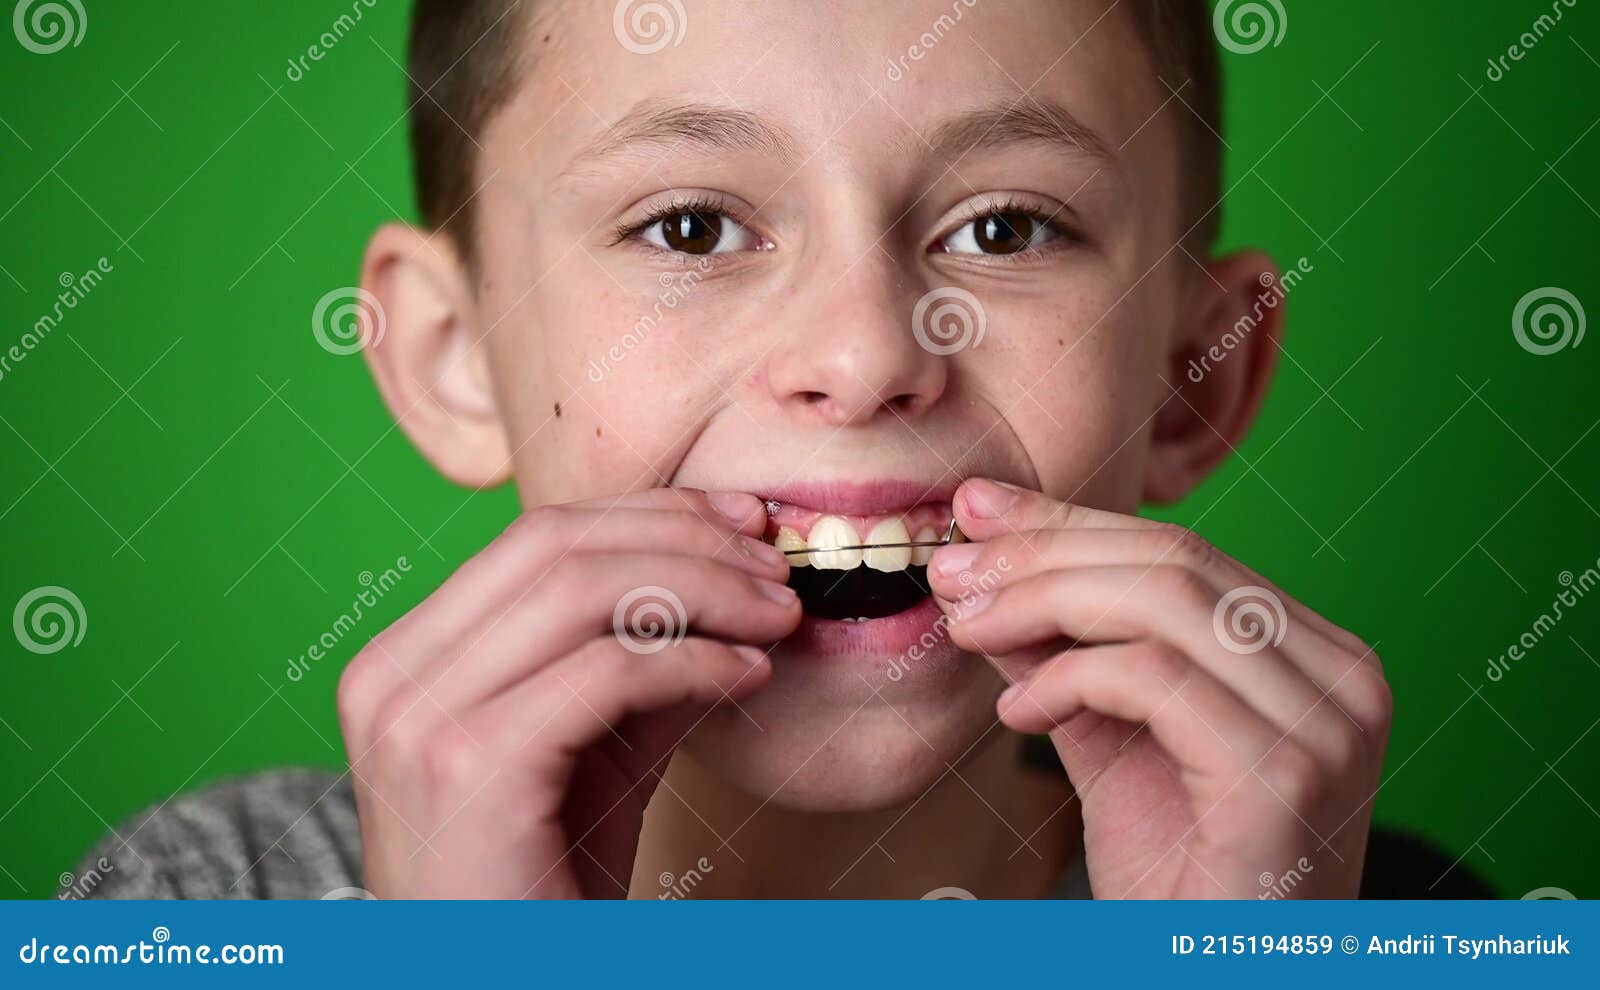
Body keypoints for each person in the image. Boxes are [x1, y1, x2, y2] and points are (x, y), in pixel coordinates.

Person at [74, 0, 1487, 900]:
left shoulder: (1357, 916)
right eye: (689, 227)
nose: (864, 357)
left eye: (1004, 228)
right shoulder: (199, 902)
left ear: (1191, 380)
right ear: (455, 355)